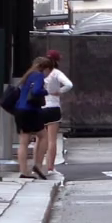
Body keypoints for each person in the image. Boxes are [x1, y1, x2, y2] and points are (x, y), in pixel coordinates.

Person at [12, 57, 53, 180]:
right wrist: (45, 91)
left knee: (23, 142)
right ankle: (38, 165)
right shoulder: (38, 75)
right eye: (49, 71)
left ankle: (24, 171)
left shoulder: (27, 76)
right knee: (44, 136)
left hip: (20, 110)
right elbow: (36, 91)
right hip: (31, 110)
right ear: (45, 68)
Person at [39, 49, 73, 178]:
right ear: (57, 61)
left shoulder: (40, 73)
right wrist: (59, 91)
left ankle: (39, 165)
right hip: (53, 107)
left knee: (40, 138)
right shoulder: (56, 73)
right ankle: (50, 167)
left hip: (41, 107)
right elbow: (69, 84)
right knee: (52, 140)